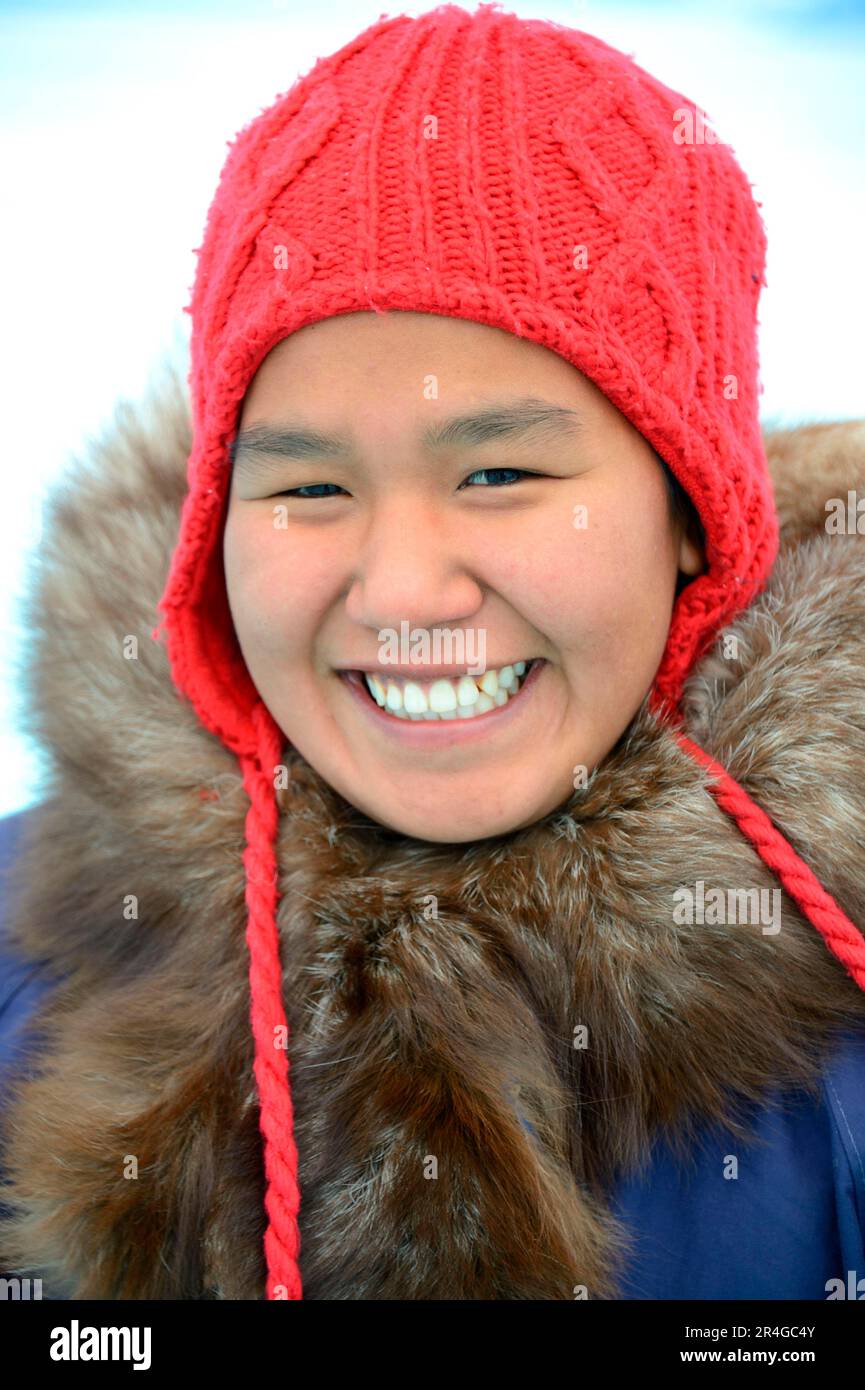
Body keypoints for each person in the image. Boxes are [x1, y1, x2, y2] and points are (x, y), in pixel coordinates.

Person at [1, 2, 864, 1301]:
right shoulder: (31, 954)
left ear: (690, 509)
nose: (402, 587)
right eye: (307, 489)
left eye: (500, 471)